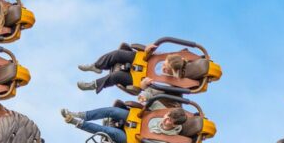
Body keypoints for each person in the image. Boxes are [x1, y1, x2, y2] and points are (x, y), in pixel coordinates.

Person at [78, 49, 210, 93]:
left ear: (173, 71)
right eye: (165, 63)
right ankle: (97, 66)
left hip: (139, 79)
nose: (163, 66)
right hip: (142, 61)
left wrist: (144, 86)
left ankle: (93, 85)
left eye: (166, 68)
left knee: (116, 76)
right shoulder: (173, 58)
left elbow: (152, 89)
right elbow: (154, 56)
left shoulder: (171, 81)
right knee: (117, 54)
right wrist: (148, 51)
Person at [59, 104, 200, 143]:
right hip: (138, 120)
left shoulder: (170, 139)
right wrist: (145, 96)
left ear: (175, 125)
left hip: (134, 137)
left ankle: (76, 122)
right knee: (112, 111)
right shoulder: (165, 111)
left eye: (169, 121)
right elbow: (152, 98)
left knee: (109, 132)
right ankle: (80, 114)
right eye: (167, 116)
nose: (165, 120)